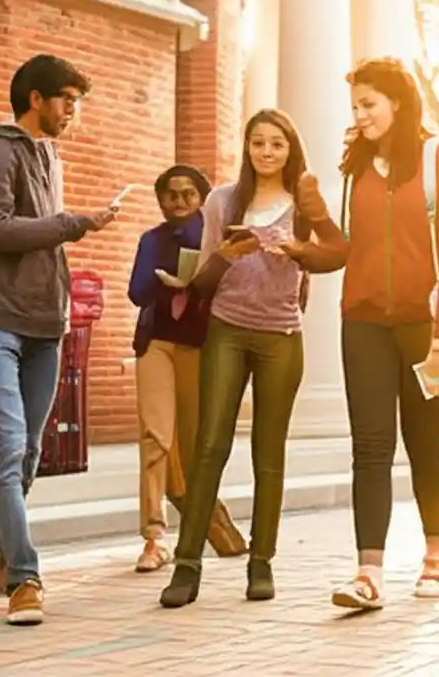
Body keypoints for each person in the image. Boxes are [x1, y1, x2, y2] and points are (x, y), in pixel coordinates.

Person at [302, 57, 439, 611]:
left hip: (423, 324)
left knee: (423, 442)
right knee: (370, 448)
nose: (360, 115)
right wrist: (308, 233)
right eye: (355, 106)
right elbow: (348, 248)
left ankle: (435, 557)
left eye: (369, 104)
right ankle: (368, 573)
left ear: (397, 102)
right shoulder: (357, 168)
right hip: (363, 322)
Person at [0, 54, 116, 625]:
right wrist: (75, 222)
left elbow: (41, 239)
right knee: (7, 447)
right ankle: (24, 579)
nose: (74, 110)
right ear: (37, 100)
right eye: (67, 99)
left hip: (43, 324)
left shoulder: (50, 156)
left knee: (30, 452)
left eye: (78, 100)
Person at [159, 108, 340, 608]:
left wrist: (300, 251)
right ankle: (187, 565)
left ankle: (262, 563)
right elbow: (199, 284)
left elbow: (338, 252)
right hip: (228, 331)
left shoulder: (301, 204)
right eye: (258, 142)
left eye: (276, 144)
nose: (266, 151)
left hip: (281, 336)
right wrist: (228, 257)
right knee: (211, 444)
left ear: (289, 149)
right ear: (247, 147)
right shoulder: (221, 200)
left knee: (269, 452)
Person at [127, 165, 248, 572]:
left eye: (188, 194)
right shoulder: (151, 240)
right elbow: (136, 292)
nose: (178, 201)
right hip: (157, 343)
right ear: (160, 199)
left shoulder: (217, 237)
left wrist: (198, 280)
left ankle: (197, 529)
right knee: (155, 437)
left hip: (200, 345)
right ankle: (153, 537)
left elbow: (230, 289)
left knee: (198, 443)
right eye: (170, 194)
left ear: (202, 198)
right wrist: (169, 282)